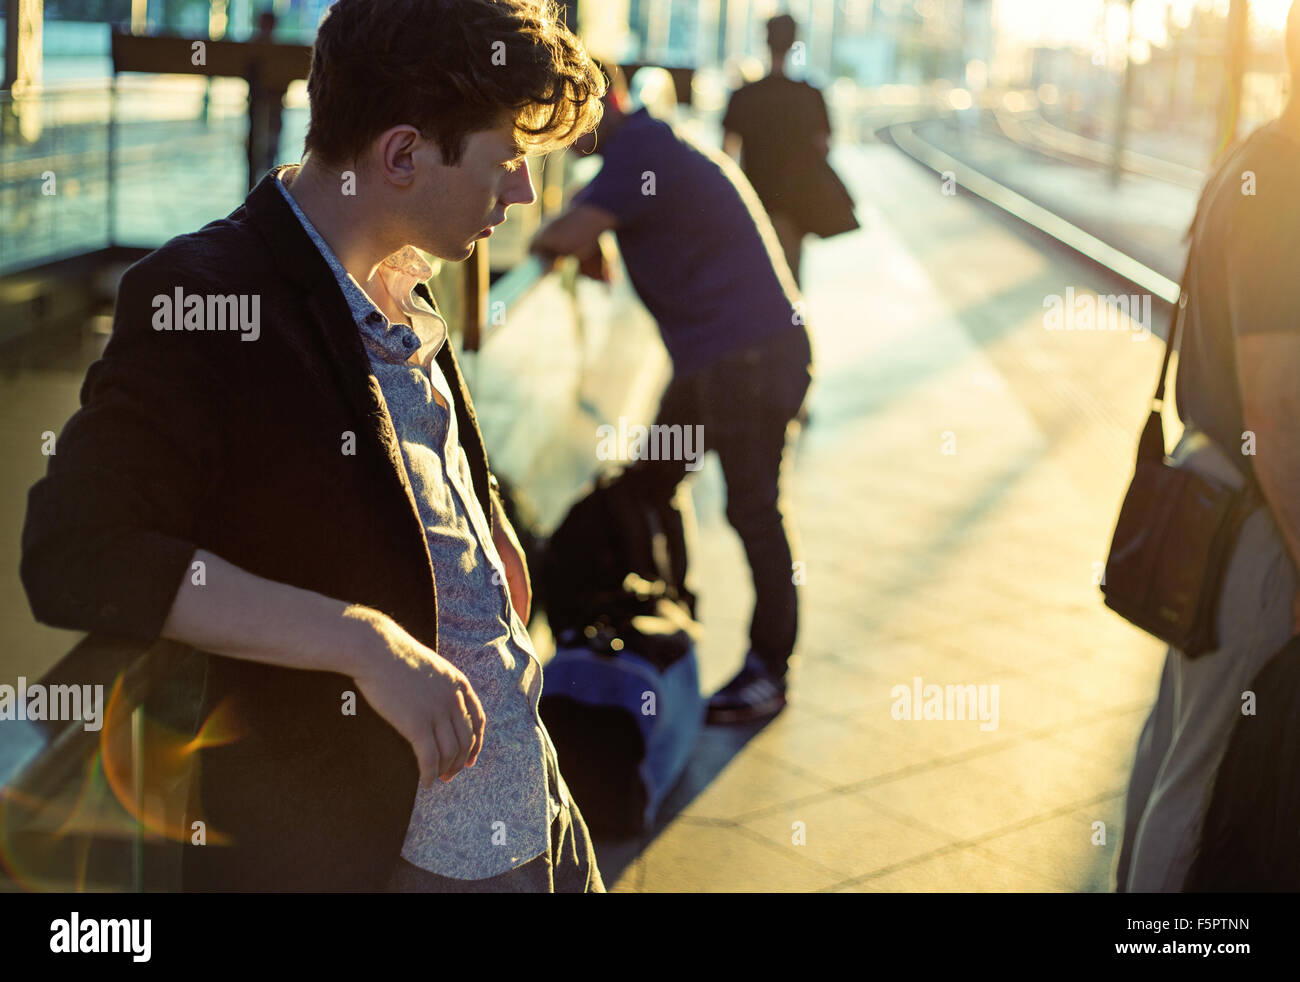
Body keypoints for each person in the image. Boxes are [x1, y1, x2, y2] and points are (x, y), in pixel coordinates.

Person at [21, 0, 606, 893]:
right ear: (403, 155)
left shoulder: (404, 277)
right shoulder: (204, 299)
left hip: (535, 805)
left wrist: (485, 536)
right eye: (509, 160)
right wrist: (362, 643)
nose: (523, 192)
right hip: (406, 857)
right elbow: (79, 553)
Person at [530, 67, 813, 725]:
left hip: (746, 359)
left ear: (606, 105)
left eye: (563, 117)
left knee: (752, 509)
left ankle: (771, 670)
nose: (555, 134)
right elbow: (607, 228)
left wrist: (584, 229)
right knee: (654, 480)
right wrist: (599, 227)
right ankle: (673, 607)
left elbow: (557, 238)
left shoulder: (640, 152)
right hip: (719, 358)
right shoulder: (645, 150)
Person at [1115, 2, 1300, 893]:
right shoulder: (1286, 180)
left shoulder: (1250, 159)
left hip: (1211, 493)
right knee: (1208, 770)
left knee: (1176, 747)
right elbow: (1278, 404)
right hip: (1251, 518)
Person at [722, 14, 831, 287]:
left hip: (753, 203)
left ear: (765, 42)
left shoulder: (744, 96)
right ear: (795, 43)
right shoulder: (810, 96)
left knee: (751, 284)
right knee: (790, 287)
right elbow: (823, 150)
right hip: (795, 208)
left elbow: (725, 156)